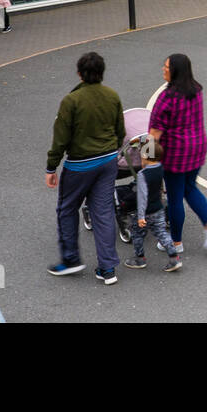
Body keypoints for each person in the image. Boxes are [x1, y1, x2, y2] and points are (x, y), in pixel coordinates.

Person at [46, 51, 126, 284]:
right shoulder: (112, 95)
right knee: (102, 212)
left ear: (79, 73)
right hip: (108, 161)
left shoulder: (71, 101)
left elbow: (60, 139)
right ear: (102, 72)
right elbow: (120, 131)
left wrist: (51, 168)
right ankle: (108, 268)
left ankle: (71, 259)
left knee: (67, 208)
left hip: (80, 164)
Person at [148, 54, 207, 255]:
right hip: (197, 147)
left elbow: (154, 134)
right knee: (190, 187)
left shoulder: (166, 98)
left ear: (176, 71)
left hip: (176, 154)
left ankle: (175, 242)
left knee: (174, 198)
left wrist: (147, 161)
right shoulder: (196, 90)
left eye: (167, 67)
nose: (163, 69)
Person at [125, 138, 182, 272]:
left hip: (146, 211)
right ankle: (174, 257)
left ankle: (140, 258)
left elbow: (142, 197)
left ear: (144, 157)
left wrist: (140, 216)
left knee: (137, 234)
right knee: (162, 233)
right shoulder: (160, 168)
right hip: (158, 208)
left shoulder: (142, 175)